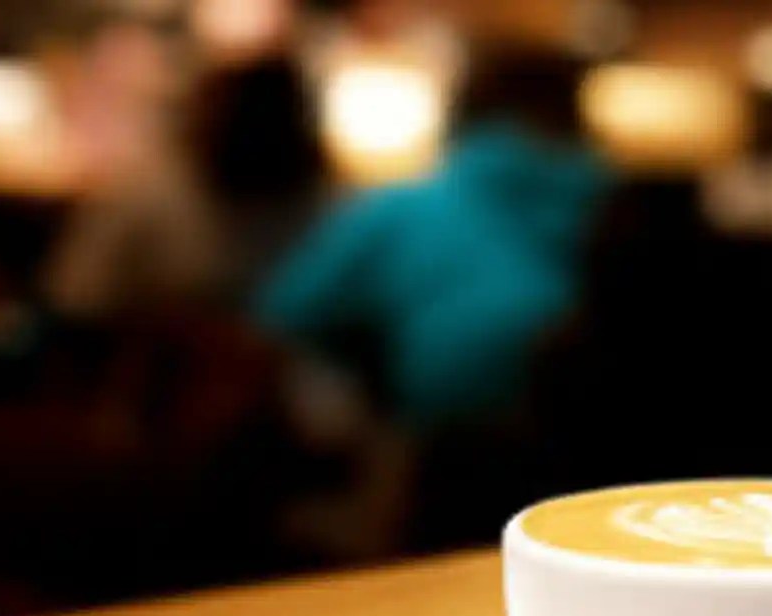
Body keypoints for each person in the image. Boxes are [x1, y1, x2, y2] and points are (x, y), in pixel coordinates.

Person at [255, 43, 612, 548]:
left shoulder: (408, 207)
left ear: (463, 115)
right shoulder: (626, 211)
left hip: (446, 458)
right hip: (605, 468)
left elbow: (281, 313)